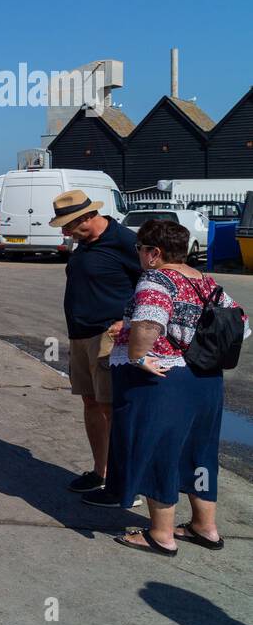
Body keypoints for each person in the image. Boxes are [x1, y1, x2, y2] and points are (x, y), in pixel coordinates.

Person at [107, 219, 247, 556]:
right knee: (198, 453)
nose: (138, 254)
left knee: (160, 451)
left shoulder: (157, 279)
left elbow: (149, 322)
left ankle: (161, 534)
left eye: (140, 249)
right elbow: (242, 324)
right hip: (206, 380)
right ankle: (205, 527)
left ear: (154, 252)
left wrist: (139, 356)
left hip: (166, 381)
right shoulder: (206, 281)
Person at [52, 190, 142, 503]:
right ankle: (100, 472)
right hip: (80, 335)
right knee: (91, 403)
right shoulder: (84, 244)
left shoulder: (125, 241)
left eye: (69, 225)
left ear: (89, 217)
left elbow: (151, 284)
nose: (65, 232)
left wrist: (128, 322)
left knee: (111, 407)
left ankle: (125, 481)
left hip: (108, 337)